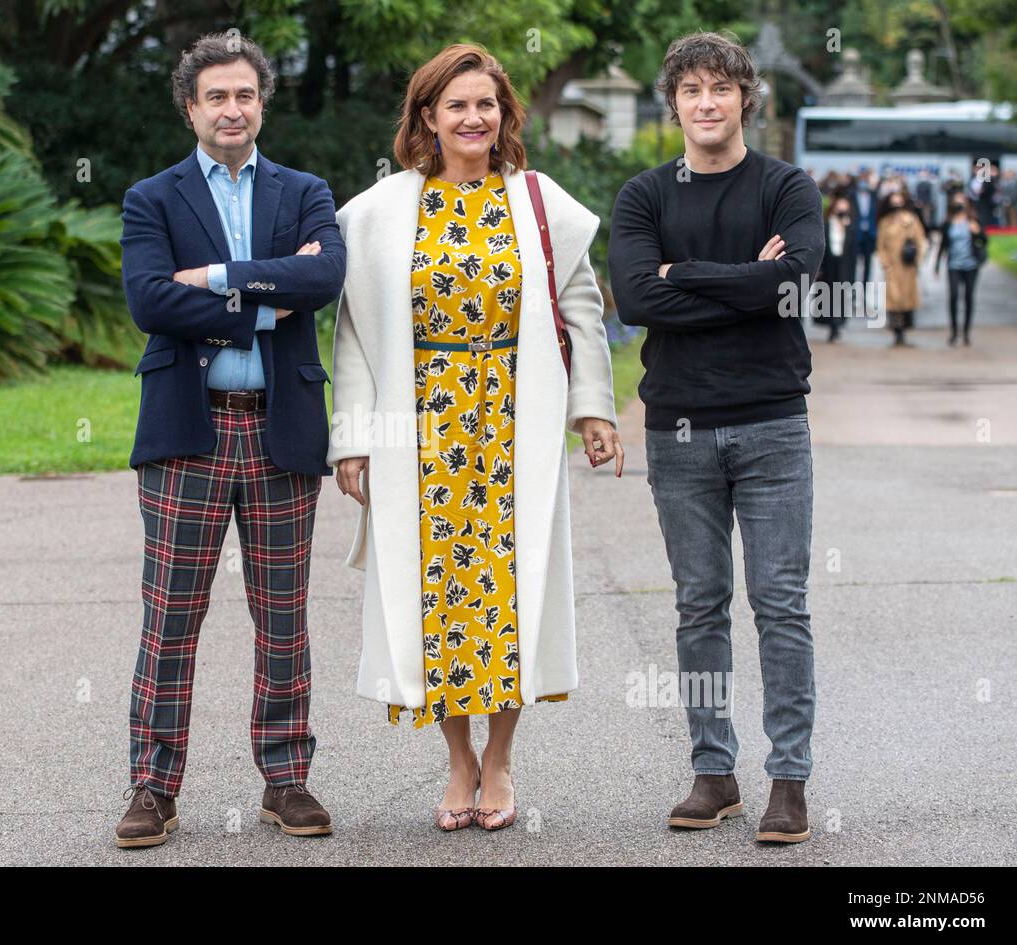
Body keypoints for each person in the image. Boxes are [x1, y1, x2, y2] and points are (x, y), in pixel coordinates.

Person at [328, 43, 621, 832]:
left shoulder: (536, 202)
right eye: (455, 105)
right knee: (436, 599)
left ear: (504, 115)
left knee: (509, 592)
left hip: (512, 425)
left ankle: (500, 762)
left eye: (485, 104)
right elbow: (352, 333)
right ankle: (458, 761)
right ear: (428, 116)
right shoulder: (383, 210)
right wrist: (351, 437)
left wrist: (594, 410)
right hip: (417, 427)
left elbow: (582, 309)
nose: (472, 118)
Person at [114, 32, 346, 848]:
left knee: (282, 616)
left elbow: (324, 278)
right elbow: (149, 301)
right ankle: (153, 785)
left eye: (245, 94)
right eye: (216, 96)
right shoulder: (153, 198)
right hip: (189, 434)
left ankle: (286, 780)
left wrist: (214, 279)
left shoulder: (305, 190)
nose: (232, 109)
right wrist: (264, 297)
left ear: (261, 103)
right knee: (171, 616)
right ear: (191, 108)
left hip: (281, 429)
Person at [608, 30, 823, 844]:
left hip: (773, 425)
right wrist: (745, 283)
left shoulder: (786, 187)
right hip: (680, 433)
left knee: (781, 606)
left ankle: (790, 782)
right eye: (692, 90)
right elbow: (634, 302)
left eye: (721, 89)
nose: (707, 103)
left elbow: (797, 281)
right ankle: (713, 773)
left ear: (744, 99)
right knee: (700, 605)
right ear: (674, 104)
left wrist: (681, 274)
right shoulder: (644, 198)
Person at [876, 186, 927, 347]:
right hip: (892, 267)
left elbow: (920, 241)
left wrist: (917, 261)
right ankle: (896, 330)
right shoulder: (885, 222)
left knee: (907, 299)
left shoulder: (911, 220)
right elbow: (881, 246)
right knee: (893, 299)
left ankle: (905, 329)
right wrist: (885, 264)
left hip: (908, 267)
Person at [934, 199, 988, 347]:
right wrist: (937, 266)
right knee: (953, 296)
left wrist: (977, 233)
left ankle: (966, 332)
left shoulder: (973, 221)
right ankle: (953, 331)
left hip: (971, 265)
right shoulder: (948, 223)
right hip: (954, 265)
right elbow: (943, 245)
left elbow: (984, 241)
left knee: (968, 298)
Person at [816, 192, 858, 341]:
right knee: (828, 295)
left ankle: (837, 324)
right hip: (829, 265)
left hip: (843, 265)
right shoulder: (825, 225)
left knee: (840, 295)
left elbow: (852, 251)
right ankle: (831, 325)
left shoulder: (850, 226)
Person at [852, 168, 878, 284]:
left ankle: (864, 290)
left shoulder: (873, 195)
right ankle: (852, 291)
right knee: (853, 264)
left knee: (868, 265)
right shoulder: (852, 196)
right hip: (856, 234)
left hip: (869, 234)